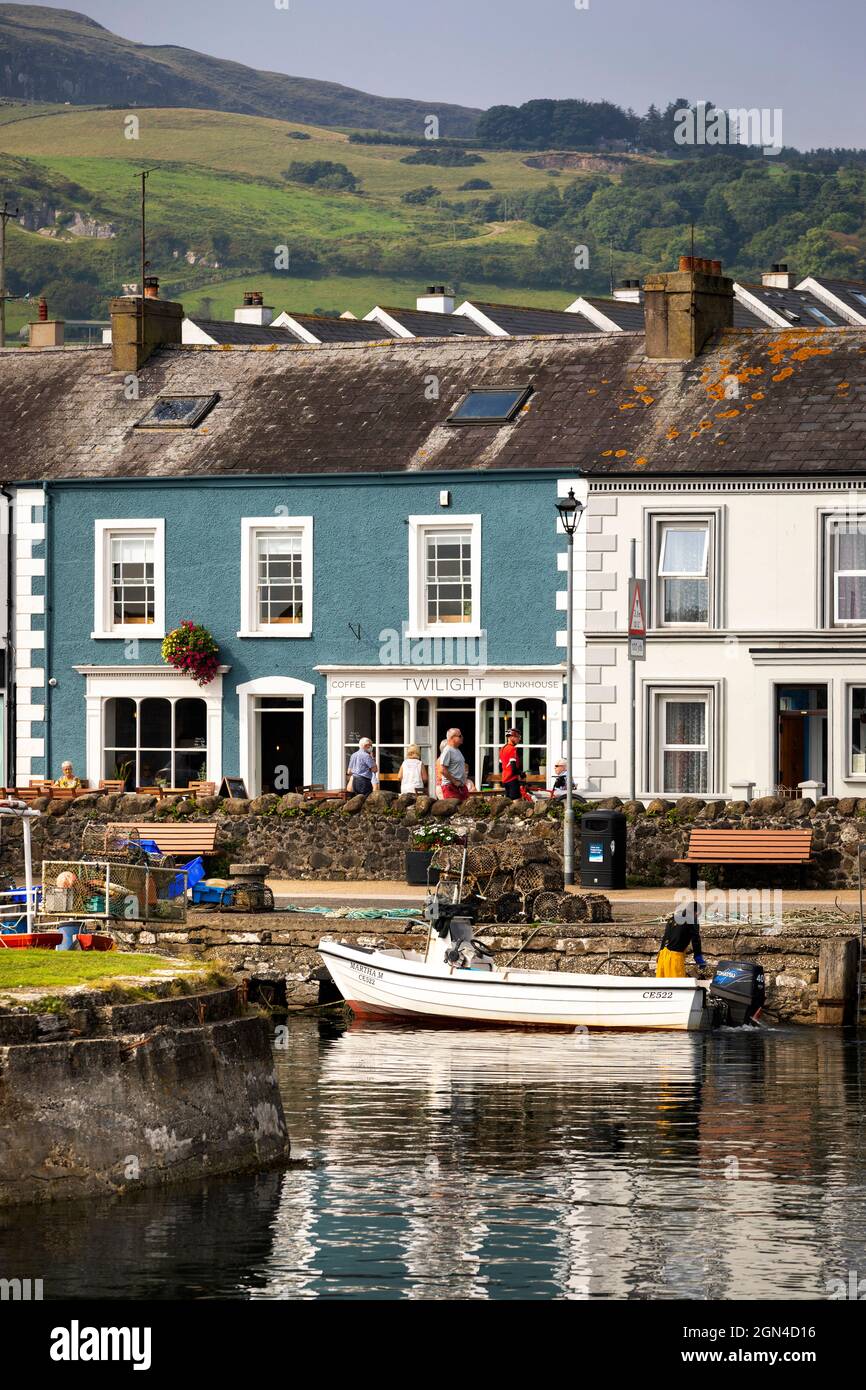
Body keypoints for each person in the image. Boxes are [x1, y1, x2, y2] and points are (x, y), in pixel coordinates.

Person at [656, 900, 706, 978]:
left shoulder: (672, 918)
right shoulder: (692, 919)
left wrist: (659, 953)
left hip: (662, 956)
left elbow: (665, 937)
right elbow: (695, 940)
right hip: (674, 958)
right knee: (676, 986)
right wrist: (698, 957)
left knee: (661, 985)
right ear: (696, 912)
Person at [440, 728, 470, 802]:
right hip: (450, 786)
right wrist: (455, 782)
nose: (462, 737)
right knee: (453, 810)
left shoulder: (456, 750)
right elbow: (443, 770)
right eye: (460, 736)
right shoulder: (447, 750)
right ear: (452, 738)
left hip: (460, 786)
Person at [499, 726, 524, 801]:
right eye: (518, 737)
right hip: (512, 779)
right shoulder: (512, 749)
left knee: (509, 802)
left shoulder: (502, 748)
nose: (519, 739)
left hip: (505, 779)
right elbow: (513, 767)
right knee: (516, 802)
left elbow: (500, 766)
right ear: (511, 737)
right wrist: (521, 773)